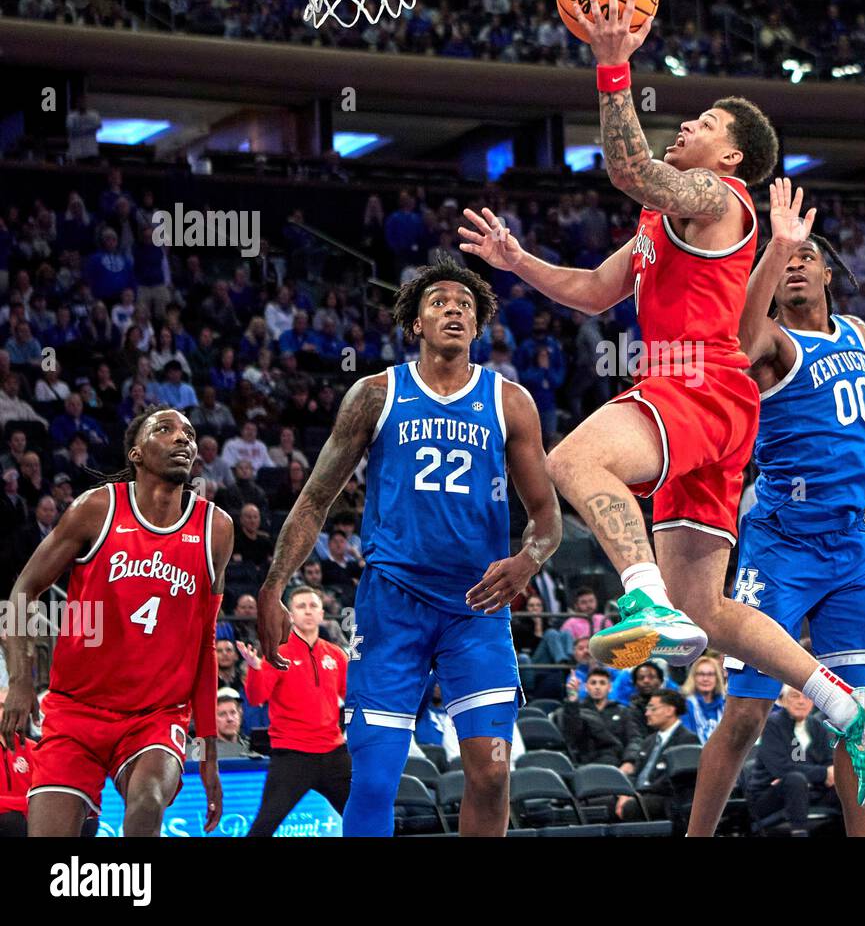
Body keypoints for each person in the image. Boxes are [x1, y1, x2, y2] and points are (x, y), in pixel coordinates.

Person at [459, 0, 865, 783]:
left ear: (731, 159)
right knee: (709, 613)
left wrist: (614, 63)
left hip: (700, 383)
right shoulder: (662, 225)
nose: (686, 125)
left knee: (571, 462)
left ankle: (641, 595)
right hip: (717, 408)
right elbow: (591, 289)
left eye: (706, 126)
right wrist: (517, 261)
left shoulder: (718, 199)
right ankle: (844, 704)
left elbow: (628, 166)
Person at [256, 257, 562, 837]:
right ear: (415, 323)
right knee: (372, 780)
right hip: (392, 605)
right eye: (439, 302)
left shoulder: (511, 401)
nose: (453, 309)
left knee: (494, 773)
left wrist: (529, 560)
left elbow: (547, 516)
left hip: (477, 607)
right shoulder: (375, 394)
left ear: (479, 326)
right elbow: (316, 499)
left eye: (465, 305)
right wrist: (273, 585)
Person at [689, 187, 865, 834]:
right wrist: (773, 247)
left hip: (852, 542)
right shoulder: (773, 344)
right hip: (783, 543)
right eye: (789, 262)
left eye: (808, 256)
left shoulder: (857, 333)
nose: (798, 266)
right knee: (749, 712)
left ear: (830, 273)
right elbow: (740, 334)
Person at [0, 406, 232, 836]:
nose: (184, 439)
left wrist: (209, 753)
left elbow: (204, 642)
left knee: (147, 804)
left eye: (190, 433)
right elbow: (22, 592)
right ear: (137, 453)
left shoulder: (216, 528)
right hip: (75, 711)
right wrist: (20, 680)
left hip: (156, 716)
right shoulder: (96, 509)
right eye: (165, 429)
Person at [240, 588, 349, 834]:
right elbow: (256, 698)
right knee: (264, 826)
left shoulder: (336, 655)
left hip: (334, 753)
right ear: (290, 615)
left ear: (322, 614)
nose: (308, 611)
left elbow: (351, 697)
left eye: (313, 606)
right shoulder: (277, 654)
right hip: (292, 755)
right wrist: (255, 670)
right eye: (301, 606)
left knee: (366, 817)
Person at [744, 687, 843, 836]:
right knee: (795, 780)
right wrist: (822, 774)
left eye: (807, 697)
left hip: (811, 791)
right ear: (783, 700)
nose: (801, 702)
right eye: (795, 696)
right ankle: (799, 832)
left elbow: (828, 762)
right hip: (769, 796)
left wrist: (830, 773)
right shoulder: (772, 724)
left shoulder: (817, 726)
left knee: (846, 784)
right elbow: (780, 768)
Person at [617, 688, 699, 822]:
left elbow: (674, 780)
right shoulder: (648, 741)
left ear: (669, 710)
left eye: (652, 709)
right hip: (639, 796)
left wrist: (639, 793)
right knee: (603, 803)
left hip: (667, 798)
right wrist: (625, 793)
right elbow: (635, 773)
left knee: (632, 807)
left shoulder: (687, 739)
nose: (647, 713)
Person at [680, 654, 727, 742]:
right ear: (693, 677)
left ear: (717, 678)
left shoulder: (726, 705)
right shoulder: (685, 705)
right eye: (701, 674)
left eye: (710, 674)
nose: (705, 679)